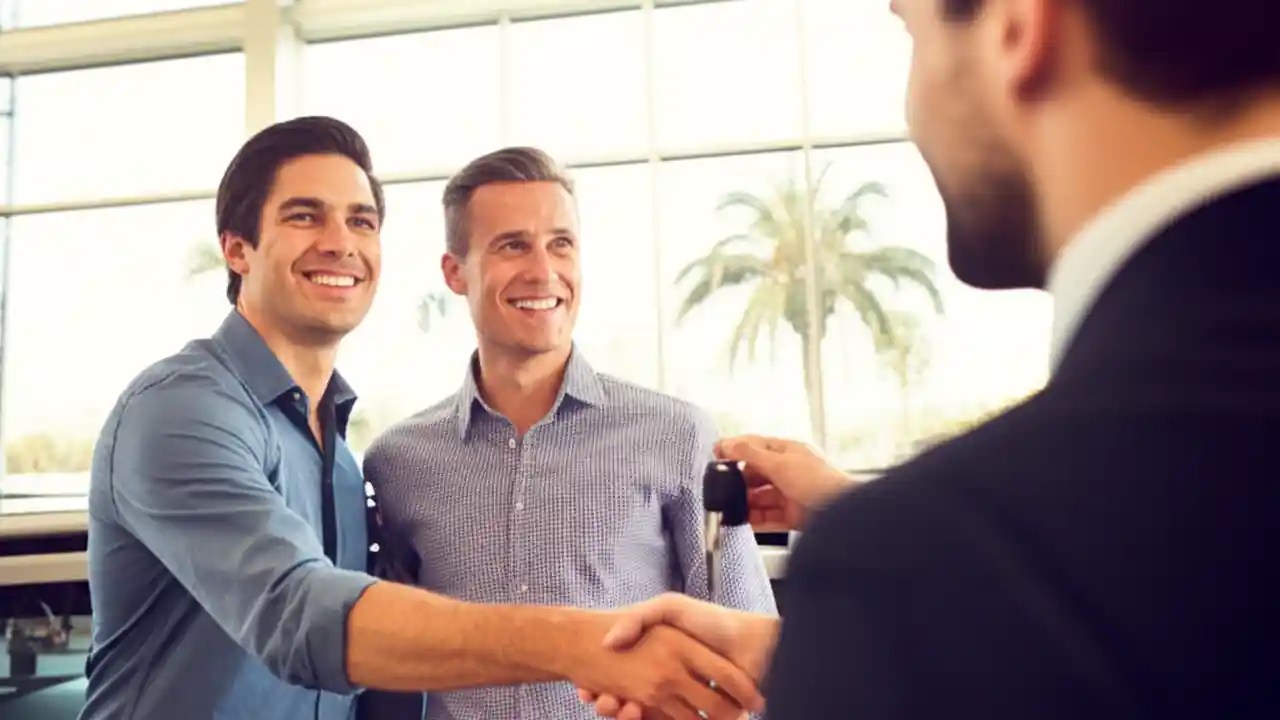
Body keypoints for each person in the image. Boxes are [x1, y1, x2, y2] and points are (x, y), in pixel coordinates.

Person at [581, 0, 1280, 717]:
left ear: (1016, 27)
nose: (913, 108)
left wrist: (875, 628)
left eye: (909, 30)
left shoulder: (910, 568)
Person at [80, 116, 763, 720]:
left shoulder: (344, 456)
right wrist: (591, 646)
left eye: (361, 221)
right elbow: (301, 613)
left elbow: (752, 651)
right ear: (237, 249)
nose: (340, 243)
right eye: (303, 215)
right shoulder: (181, 412)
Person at [360, 146, 777, 719]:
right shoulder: (397, 462)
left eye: (561, 244)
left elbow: (744, 642)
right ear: (455, 273)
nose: (543, 271)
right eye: (512, 245)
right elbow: (394, 654)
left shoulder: (676, 434)